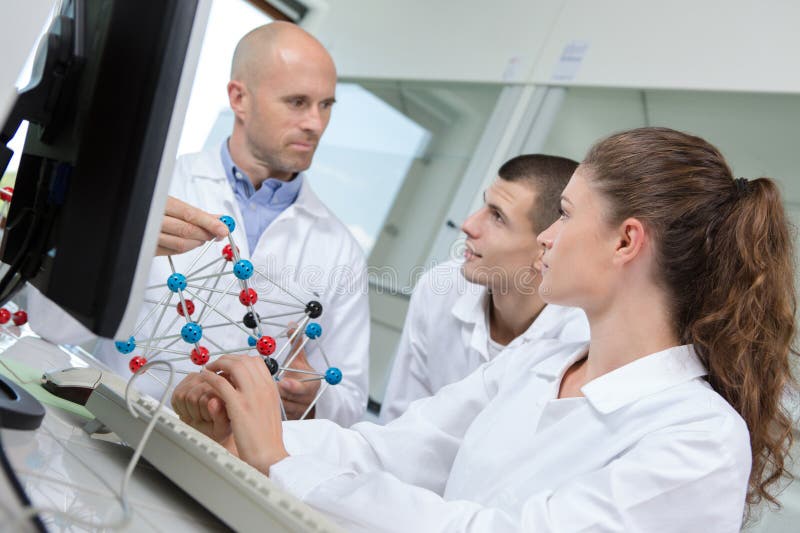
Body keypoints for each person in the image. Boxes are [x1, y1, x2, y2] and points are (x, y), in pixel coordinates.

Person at [172, 126, 797, 532]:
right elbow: (390, 451)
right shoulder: (540, 363)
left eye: (568, 215)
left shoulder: (699, 438)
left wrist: (279, 460)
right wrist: (239, 428)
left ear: (626, 241)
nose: (548, 235)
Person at [29, 22, 370, 426]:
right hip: (109, 431)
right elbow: (50, 326)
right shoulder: (150, 190)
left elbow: (349, 402)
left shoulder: (340, 250)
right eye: (297, 102)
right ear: (239, 98)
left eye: (326, 105)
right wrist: (114, 246)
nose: (315, 123)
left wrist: (313, 402)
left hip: (228, 466)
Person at [380, 154, 589, 423]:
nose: (469, 225)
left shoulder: (579, 340)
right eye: (485, 206)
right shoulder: (441, 288)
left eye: (498, 217)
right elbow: (399, 420)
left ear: (546, 247)